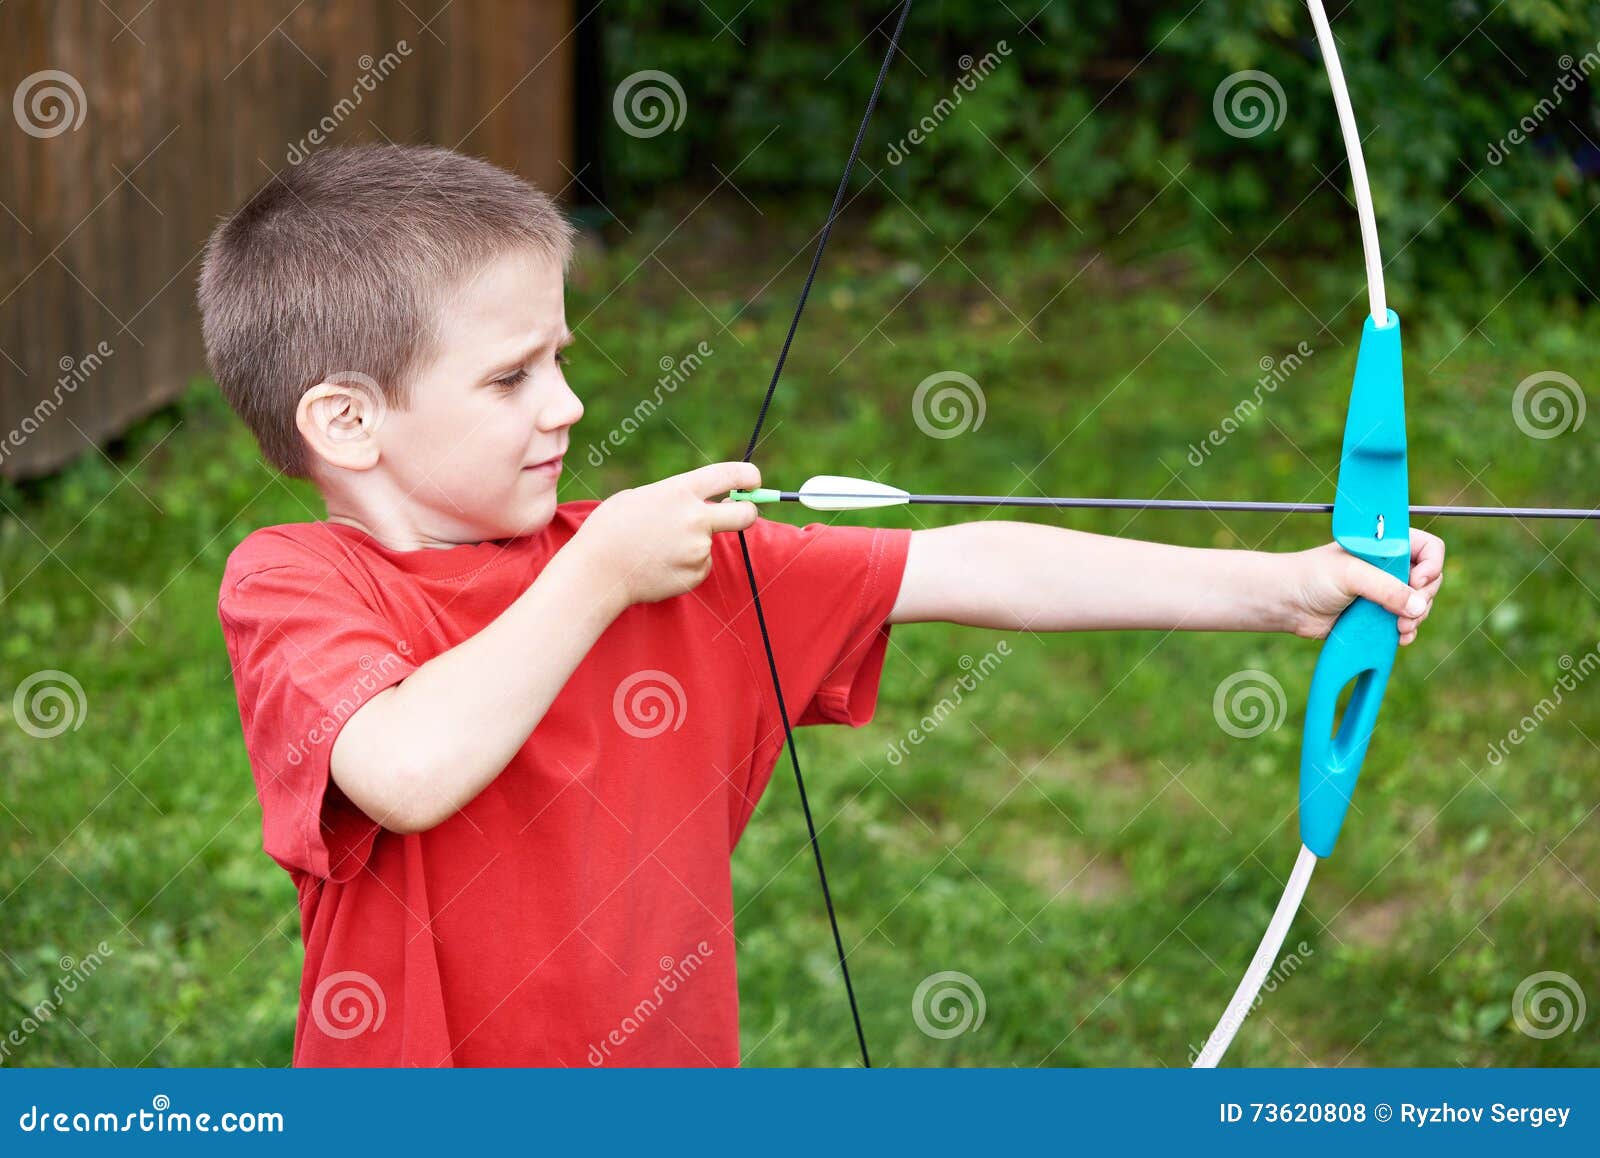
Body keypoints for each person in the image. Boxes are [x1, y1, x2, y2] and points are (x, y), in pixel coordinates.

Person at [201, 143, 1444, 1066]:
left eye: (564, 359)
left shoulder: (662, 567)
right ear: (347, 422)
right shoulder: (299, 584)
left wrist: (1281, 591)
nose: (567, 404)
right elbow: (406, 768)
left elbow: (968, 568)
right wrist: (597, 575)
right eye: (512, 376)